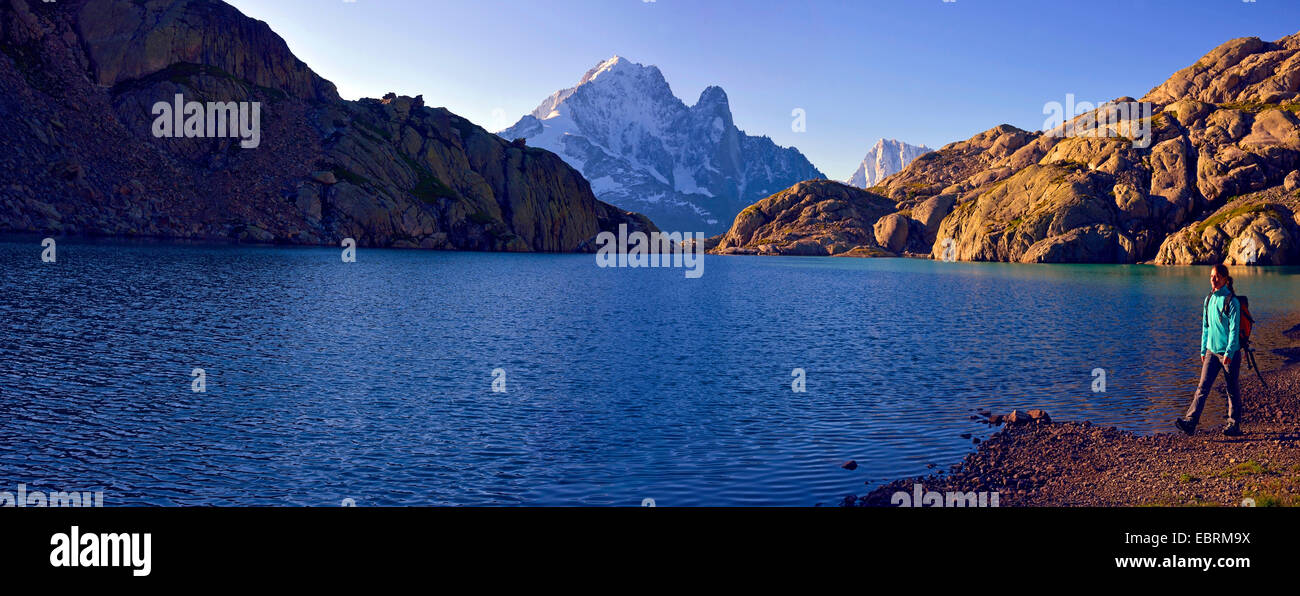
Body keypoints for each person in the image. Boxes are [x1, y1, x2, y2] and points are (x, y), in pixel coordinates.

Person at [1175, 263, 1244, 437]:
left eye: (1217, 277)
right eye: (1211, 276)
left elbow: (1234, 331)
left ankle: (1234, 425)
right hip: (1211, 353)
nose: (1213, 279)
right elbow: (1205, 327)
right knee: (1202, 388)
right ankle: (1190, 422)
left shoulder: (1232, 301)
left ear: (1225, 279)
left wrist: (1228, 352)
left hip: (1230, 354)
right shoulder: (1209, 299)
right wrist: (1203, 349)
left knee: (1231, 389)